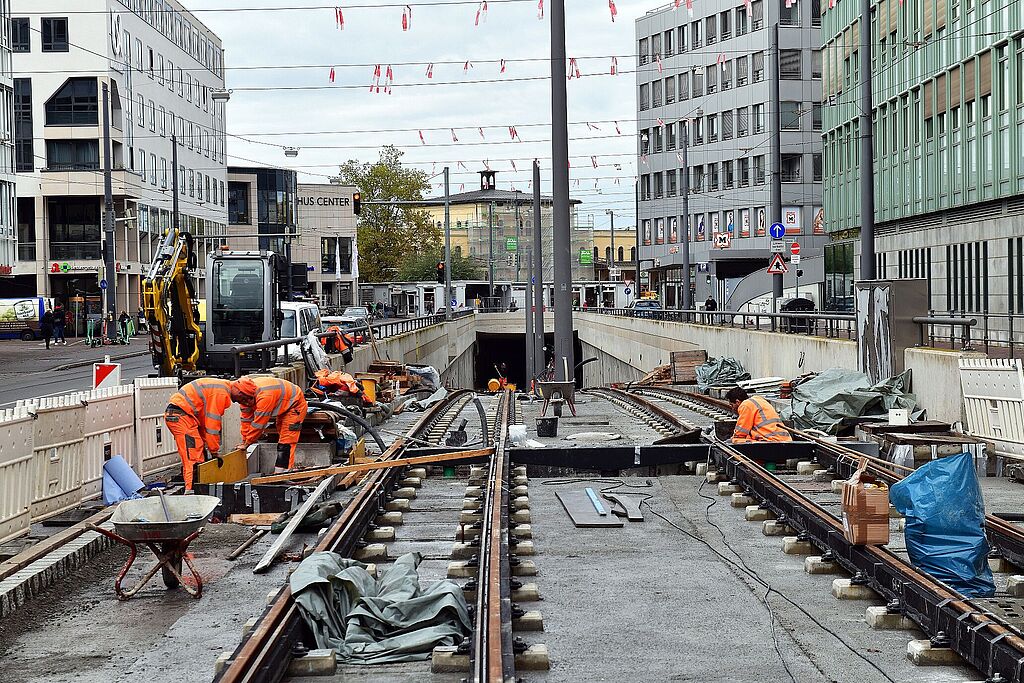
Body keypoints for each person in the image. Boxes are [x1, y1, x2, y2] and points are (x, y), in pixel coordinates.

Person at [164, 378, 238, 490]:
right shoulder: (220, 393)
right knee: (192, 456)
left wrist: (209, 448)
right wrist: (214, 451)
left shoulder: (219, 388)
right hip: (181, 416)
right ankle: (190, 489)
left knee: (196, 450)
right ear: (240, 392)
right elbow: (212, 426)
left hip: (182, 415)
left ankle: (194, 485)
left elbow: (204, 424)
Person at [233, 376, 308, 472]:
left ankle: (282, 472)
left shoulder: (265, 396)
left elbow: (259, 425)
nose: (246, 403)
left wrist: (248, 443)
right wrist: (244, 442)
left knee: (286, 441)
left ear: (251, 394)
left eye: (246, 400)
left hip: (295, 406)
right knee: (282, 434)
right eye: (242, 401)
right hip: (285, 404)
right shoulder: (245, 397)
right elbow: (246, 422)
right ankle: (282, 471)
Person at [726, 387, 792, 443]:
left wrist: (731, 440)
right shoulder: (758, 399)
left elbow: (741, 432)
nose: (732, 408)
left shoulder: (745, 405)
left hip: (770, 440)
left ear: (737, 402)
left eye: (732, 405)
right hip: (784, 438)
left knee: (737, 440)